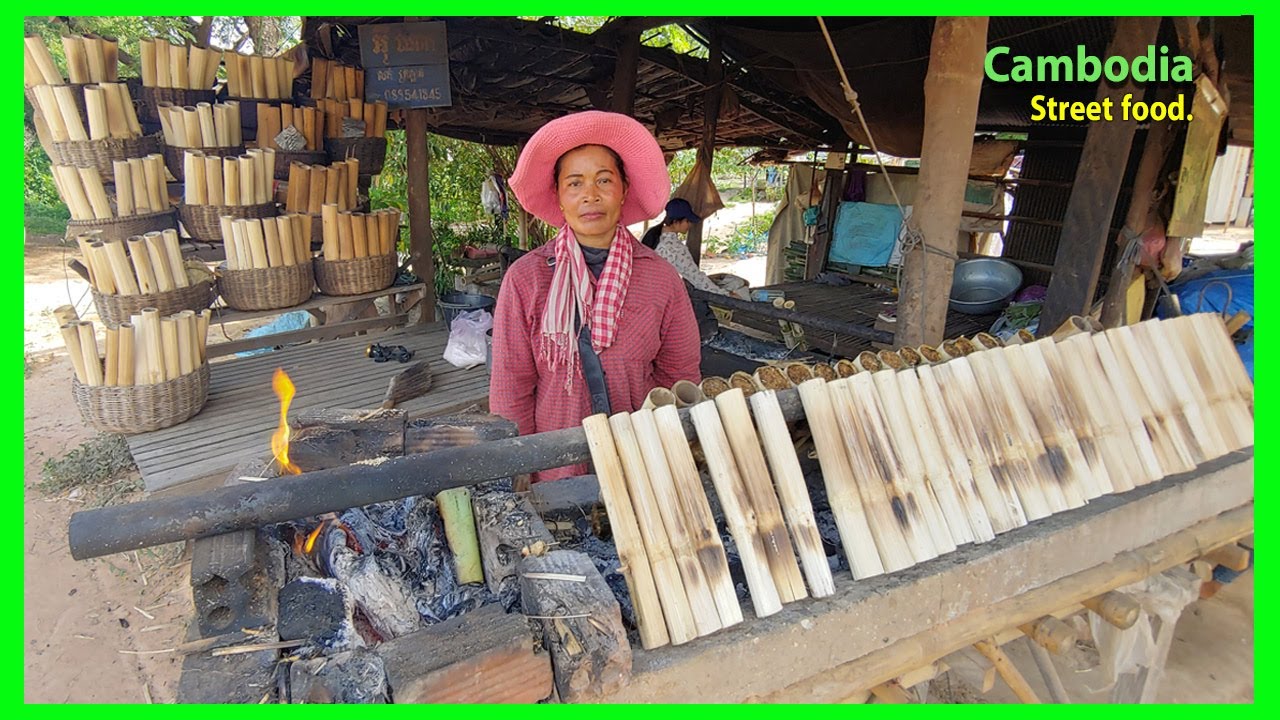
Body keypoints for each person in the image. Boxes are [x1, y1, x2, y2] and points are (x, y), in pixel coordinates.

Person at [491, 111, 702, 482]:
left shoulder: (661, 278)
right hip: (556, 466)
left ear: (624, 190)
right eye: (575, 183)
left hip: (642, 462)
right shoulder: (526, 279)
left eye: (604, 180)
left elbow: (679, 373)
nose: (590, 195)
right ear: (557, 196)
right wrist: (519, 468)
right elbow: (512, 387)